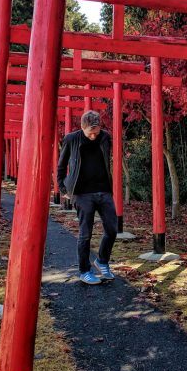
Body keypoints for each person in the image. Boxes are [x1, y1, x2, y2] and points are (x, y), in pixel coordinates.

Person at [57, 110, 118, 285]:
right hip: (82, 193)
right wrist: (63, 189)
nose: (93, 135)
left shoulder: (105, 138)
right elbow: (61, 166)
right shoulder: (71, 139)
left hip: (104, 191)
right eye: (90, 132)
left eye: (96, 131)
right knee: (85, 234)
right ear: (82, 128)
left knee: (112, 229)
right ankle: (84, 270)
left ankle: (102, 261)